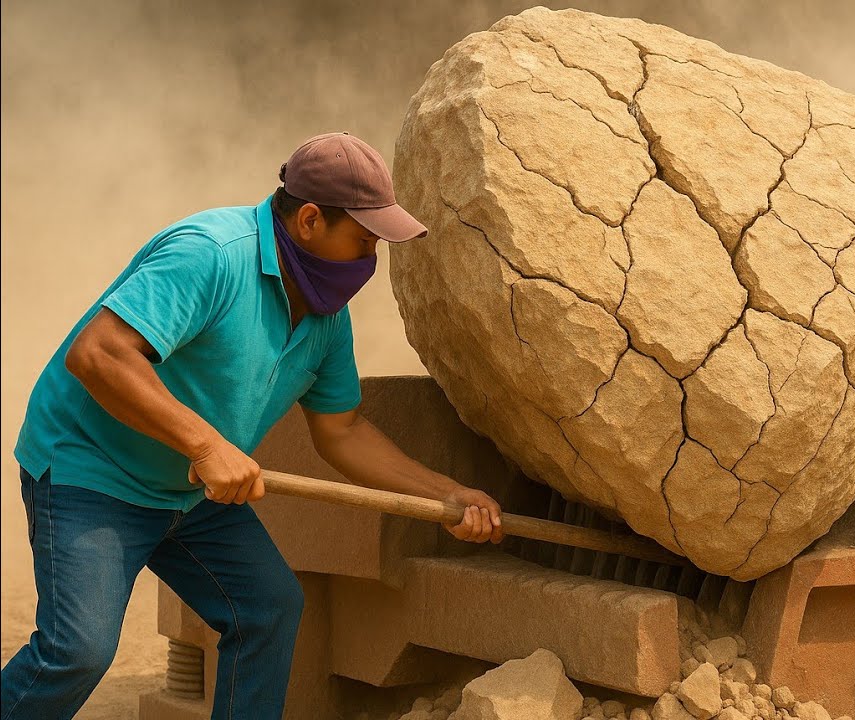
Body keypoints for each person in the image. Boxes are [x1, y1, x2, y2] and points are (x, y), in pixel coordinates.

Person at [0, 132, 504, 720]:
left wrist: (448, 495)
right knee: (78, 651)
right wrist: (206, 444)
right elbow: (98, 355)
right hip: (92, 469)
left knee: (268, 609)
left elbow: (343, 432)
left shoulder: (324, 316)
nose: (371, 259)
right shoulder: (210, 254)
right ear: (311, 220)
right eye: (364, 240)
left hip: (188, 487)